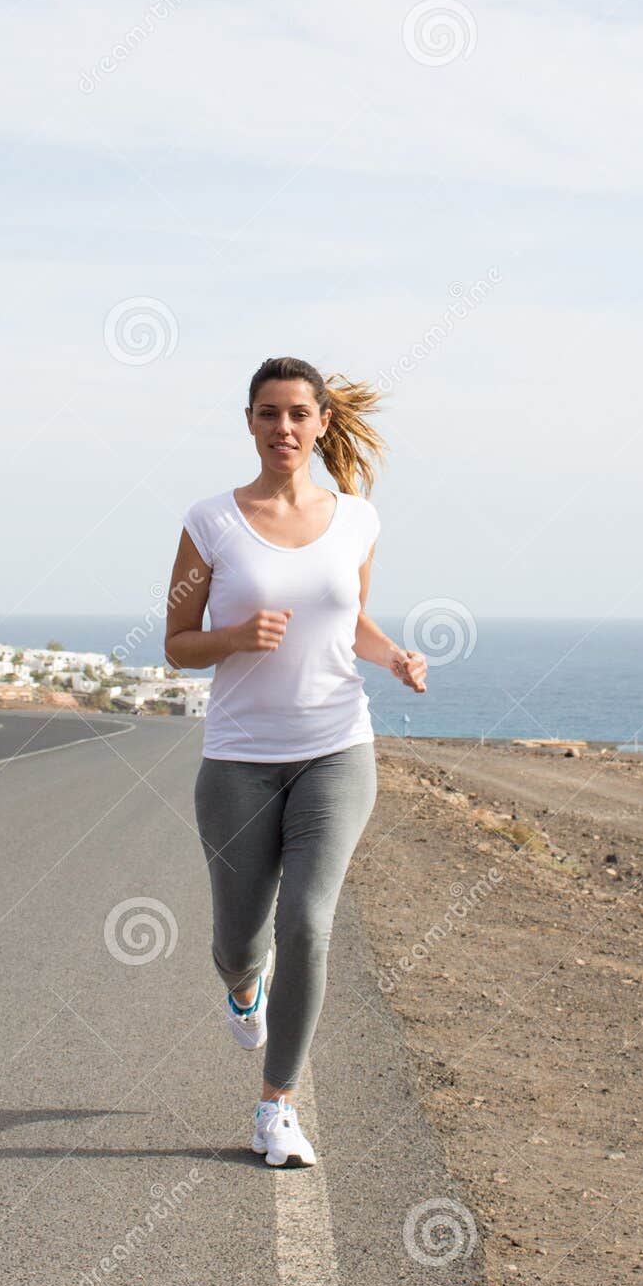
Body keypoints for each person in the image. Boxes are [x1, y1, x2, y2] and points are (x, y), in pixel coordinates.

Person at [164, 356, 426, 1167]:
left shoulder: (358, 519)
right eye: (269, 413)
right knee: (239, 946)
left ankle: (275, 1108)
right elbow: (176, 646)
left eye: (298, 413)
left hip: (338, 747)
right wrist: (237, 637)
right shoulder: (210, 522)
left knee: (308, 923)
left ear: (320, 423)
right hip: (240, 759)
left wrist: (393, 657)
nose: (284, 427)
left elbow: (352, 620)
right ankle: (247, 988)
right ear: (249, 422)